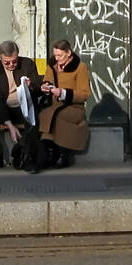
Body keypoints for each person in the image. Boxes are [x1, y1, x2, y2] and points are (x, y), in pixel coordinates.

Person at [29, 39, 91, 174]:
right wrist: (45, 86)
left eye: (60, 55)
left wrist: (64, 93)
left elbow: (84, 94)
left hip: (74, 107)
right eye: (55, 55)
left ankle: (62, 154)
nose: (57, 58)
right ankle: (47, 155)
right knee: (45, 115)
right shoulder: (52, 65)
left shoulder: (80, 67)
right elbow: (47, 79)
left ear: (69, 53)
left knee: (57, 116)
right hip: (55, 106)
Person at [0, 40, 40, 170]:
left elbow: (38, 86)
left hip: (24, 106)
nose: (11, 64)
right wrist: (9, 125)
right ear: (1, 58)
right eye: (7, 62)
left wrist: (31, 86)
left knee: (33, 115)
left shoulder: (27, 64)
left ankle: (29, 157)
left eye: (14, 61)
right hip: (4, 108)